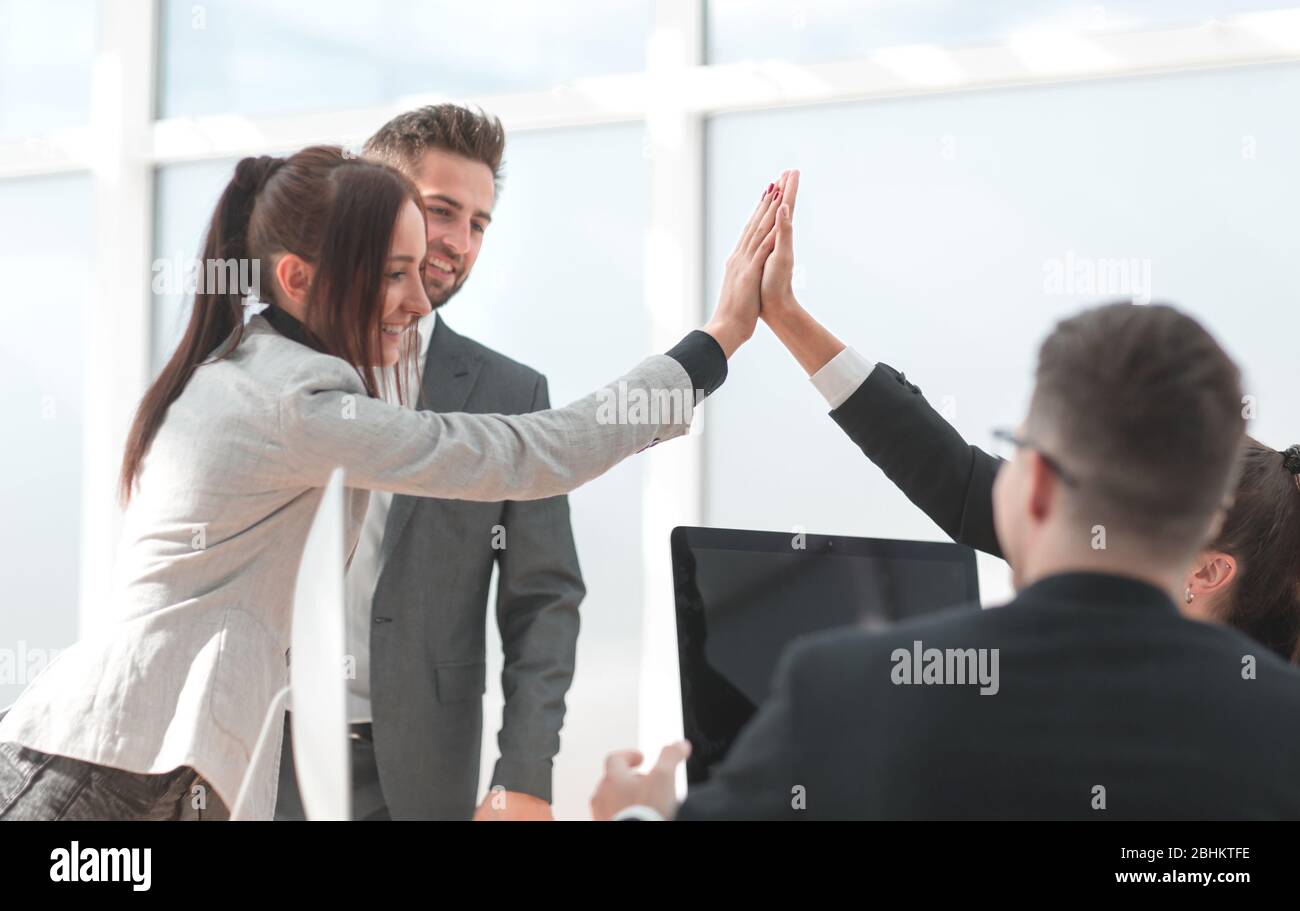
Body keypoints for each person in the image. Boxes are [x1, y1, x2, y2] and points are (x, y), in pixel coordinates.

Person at [0, 146, 788, 821]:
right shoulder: (295, 402)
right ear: (298, 278)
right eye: (393, 274)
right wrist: (717, 340)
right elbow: (528, 452)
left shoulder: (256, 370)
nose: (419, 302)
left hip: (140, 764)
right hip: (99, 773)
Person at [593, 174, 1300, 820]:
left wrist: (640, 811)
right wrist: (785, 316)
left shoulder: (849, 694)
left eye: (1015, 447)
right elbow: (953, 476)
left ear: (1041, 487)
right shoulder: (1276, 727)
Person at [275, 105, 586, 821]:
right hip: (266, 750)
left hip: (416, 776)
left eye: (478, 223)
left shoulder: (511, 395)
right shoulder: (271, 371)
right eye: (441, 210)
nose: (457, 242)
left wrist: (524, 776)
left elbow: (545, 601)